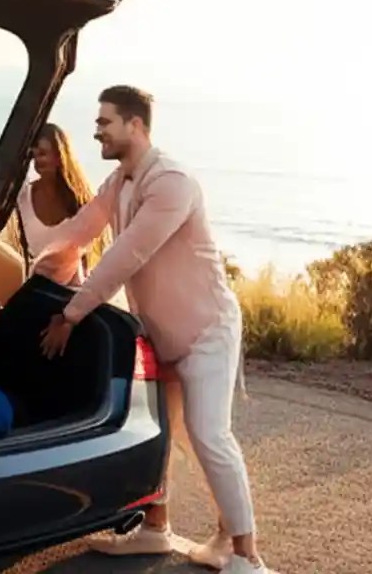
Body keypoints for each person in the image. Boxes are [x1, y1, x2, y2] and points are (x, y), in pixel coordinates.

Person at [34, 85, 269, 574]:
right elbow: (77, 233)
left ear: (135, 126)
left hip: (206, 332)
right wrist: (27, 276)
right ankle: (155, 529)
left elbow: (127, 254)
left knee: (208, 435)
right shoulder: (119, 181)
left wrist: (71, 314)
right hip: (161, 333)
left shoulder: (172, 183)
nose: (97, 130)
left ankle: (247, 555)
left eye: (106, 122)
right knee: (162, 435)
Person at [15, 122, 110, 286]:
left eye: (43, 153)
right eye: (33, 155)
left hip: (69, 288)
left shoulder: (80, 201)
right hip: (32, 284)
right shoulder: (23, 196)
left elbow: (86, 253)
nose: (37, 160)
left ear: (59, 156)